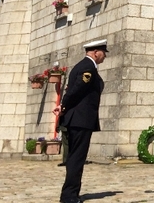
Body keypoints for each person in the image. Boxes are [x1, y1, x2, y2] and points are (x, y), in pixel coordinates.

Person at [54, 39, 107, 203]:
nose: (105, 56)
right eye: (103, 53)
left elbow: (74, 90)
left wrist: (64, 106)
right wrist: (63, 105)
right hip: (81, 119)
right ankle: (69, 196)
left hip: (77, 119)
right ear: (96, 52)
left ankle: (71, 193)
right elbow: (77, 89)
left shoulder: (82, 66)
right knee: (77, 158)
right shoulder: (88, 67)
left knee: (74, 158)